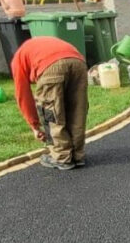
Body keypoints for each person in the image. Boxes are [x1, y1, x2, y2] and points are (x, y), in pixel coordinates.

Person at [11, 37, 88, 170]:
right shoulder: (36, 47)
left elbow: (22, 95)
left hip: (51, 67)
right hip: (78, 62)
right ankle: (77, 155)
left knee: (51, 113)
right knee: (77, 110)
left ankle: (61, 157)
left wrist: (34, 126)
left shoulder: (18, 60)